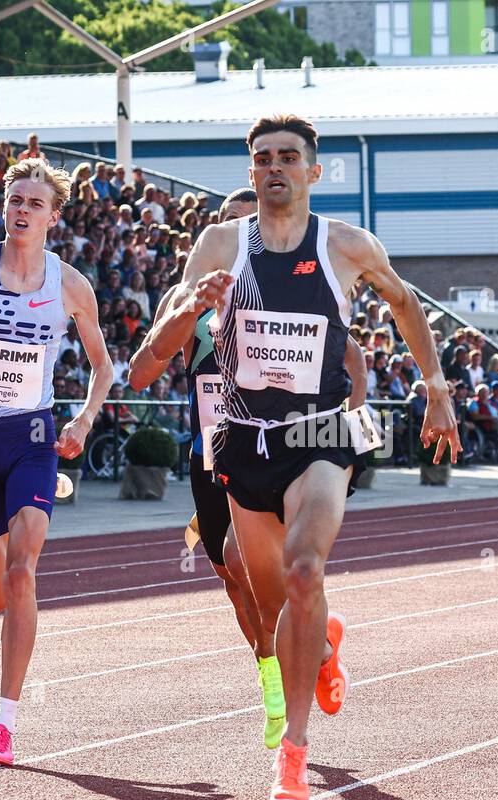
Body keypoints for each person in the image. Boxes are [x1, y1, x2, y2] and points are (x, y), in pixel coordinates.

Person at [168, 114, 458, 800]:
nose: (275, 167)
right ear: (250, 171)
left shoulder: (346, 246)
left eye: (288, 157)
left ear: (313, 171)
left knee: (304, 567)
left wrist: (436, 390)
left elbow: (406, 304)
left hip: (319, 434)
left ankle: (292, 757)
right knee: (280, 608)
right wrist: (196, 308)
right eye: (263, 157)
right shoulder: (217, 244)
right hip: (243, 438)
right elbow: (177, 330)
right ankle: (322, 644)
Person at [130, 186, 368, 750]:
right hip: (212, 455)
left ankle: (291, 695)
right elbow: (140, 374)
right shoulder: (189, 297)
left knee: (273, 566)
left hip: (284, 449)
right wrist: (189, 311)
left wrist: (345, 436)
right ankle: (297, 666)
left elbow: (352, 361)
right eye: (238, 228)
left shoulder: (296, 300)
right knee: (243, 589)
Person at [0, 157, 107, 768]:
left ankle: (3, 723)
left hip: (34, 442)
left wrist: (83, 421)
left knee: (21, 572)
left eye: (36, 203)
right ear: (3, 207)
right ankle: (15, 618)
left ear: (54, 216)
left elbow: (102, 366)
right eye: (15, 200)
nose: (23, 210)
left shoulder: (70, 286)